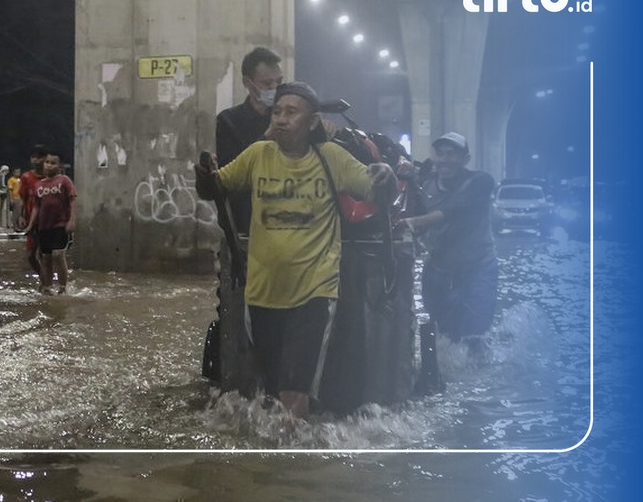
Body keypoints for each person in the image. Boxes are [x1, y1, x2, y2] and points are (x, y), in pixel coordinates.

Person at [195, 81, 398, 419]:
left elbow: (378, 193)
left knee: (294, 390)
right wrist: (205, 174)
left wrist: (386, 176)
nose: (282, 118)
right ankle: (282, 464)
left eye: (292, 112)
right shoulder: (258, 154)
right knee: (272, 390)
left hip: (314, 292)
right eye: (277, 112)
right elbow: (216, 187)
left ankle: (293, 467)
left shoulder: (331, 157)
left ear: (313, 122)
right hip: (262, 292)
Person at [400, 132, 497, 345]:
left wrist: (415, 222)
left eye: (452, 154)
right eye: (440, 154)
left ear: (466, 159)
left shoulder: (481, 182)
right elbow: (414, 225)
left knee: (475, 334)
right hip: (438, 271)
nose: (445, 160)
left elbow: (455, 209)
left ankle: (475, 372)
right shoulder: (425, 187)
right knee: (442, 334)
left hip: (478, 269)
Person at [215, 47, 284, 233]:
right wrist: (266, 137)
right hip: (245, 224)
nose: (275, 89)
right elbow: (230, 175)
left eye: (279, 82)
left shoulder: (287, 118)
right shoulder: (229, 121)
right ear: (248, 83)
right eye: (268, 84)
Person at [23, 150, 77, 294]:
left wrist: (72, 220)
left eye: (53, 163)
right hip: (43, 227)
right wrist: (30, 225)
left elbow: (73, 200)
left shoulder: (64, 180)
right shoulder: (38, 185)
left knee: (58, 254)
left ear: (59, 166)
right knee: (45, 257)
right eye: (47, 162)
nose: (49, 166)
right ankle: (47, 286)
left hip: (60, 224)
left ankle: (63, 287)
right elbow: (36, 207)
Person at [18, 144, 47, 276]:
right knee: (30, 255)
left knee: (44, 254)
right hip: (31, 221)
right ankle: (44, 277)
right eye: (33, 157)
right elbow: (22, 199)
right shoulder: (26, 178)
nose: (35, 161)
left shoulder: (50, 177)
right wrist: (20, 216)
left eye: (39, 157)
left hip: (47, 221)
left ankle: (47, 282)